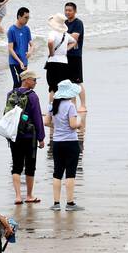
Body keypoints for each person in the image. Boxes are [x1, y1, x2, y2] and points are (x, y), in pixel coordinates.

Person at [6, 70, 44, 204]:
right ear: (26, 80)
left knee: (16, 165)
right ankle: (29, 195)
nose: (35, 82)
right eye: (34, 80)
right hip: (29, 136)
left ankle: (17, 196)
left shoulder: (11, 94)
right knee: (30, 166)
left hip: (14, 135)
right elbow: (37, 117)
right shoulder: (33, 96)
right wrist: (41, 137)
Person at [47, 79, 83, 210]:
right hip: (70, 143)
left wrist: (57, 126)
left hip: (57, 142)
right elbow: (73, 125)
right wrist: (80, 124)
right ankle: (70, 203)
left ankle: (56, 203)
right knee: (70, 173)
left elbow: (46, 122)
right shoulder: (70, 106)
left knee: (57, 172)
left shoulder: (51, 105)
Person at [43, 13, 75, 100]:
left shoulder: (52, 33)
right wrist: (66, 49)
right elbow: (74, 41)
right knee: (62, 87)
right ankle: (61, 109)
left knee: (52, 87)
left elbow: (50, 42)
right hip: (64, 62)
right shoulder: (66, 35)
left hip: (53, 62)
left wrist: (51, 52)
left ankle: (51, 110)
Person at [63, 1, 86, 112]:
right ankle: (73, 105)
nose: (67, 12)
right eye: (66, 10)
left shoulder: (78, 23)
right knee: (68, 81)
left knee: (77, 81)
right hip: (65, 56)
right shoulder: (64, 23)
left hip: (75, 56)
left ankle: (83, 105)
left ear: (75, 11)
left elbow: (73, 38)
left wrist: (62, 36)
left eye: (70, 10)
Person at [6, 7, 31, 87]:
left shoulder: (27, 29)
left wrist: (30, 52)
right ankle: (11, 99)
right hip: (14, 62)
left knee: (23, 84)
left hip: (24, 62)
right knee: (17, 84)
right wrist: (20, 62)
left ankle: (20, 99)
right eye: (25, 17)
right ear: (19, 17)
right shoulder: (11, 30)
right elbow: (10, 49)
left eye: (28, 18)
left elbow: (32, 44)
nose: (27, 20)